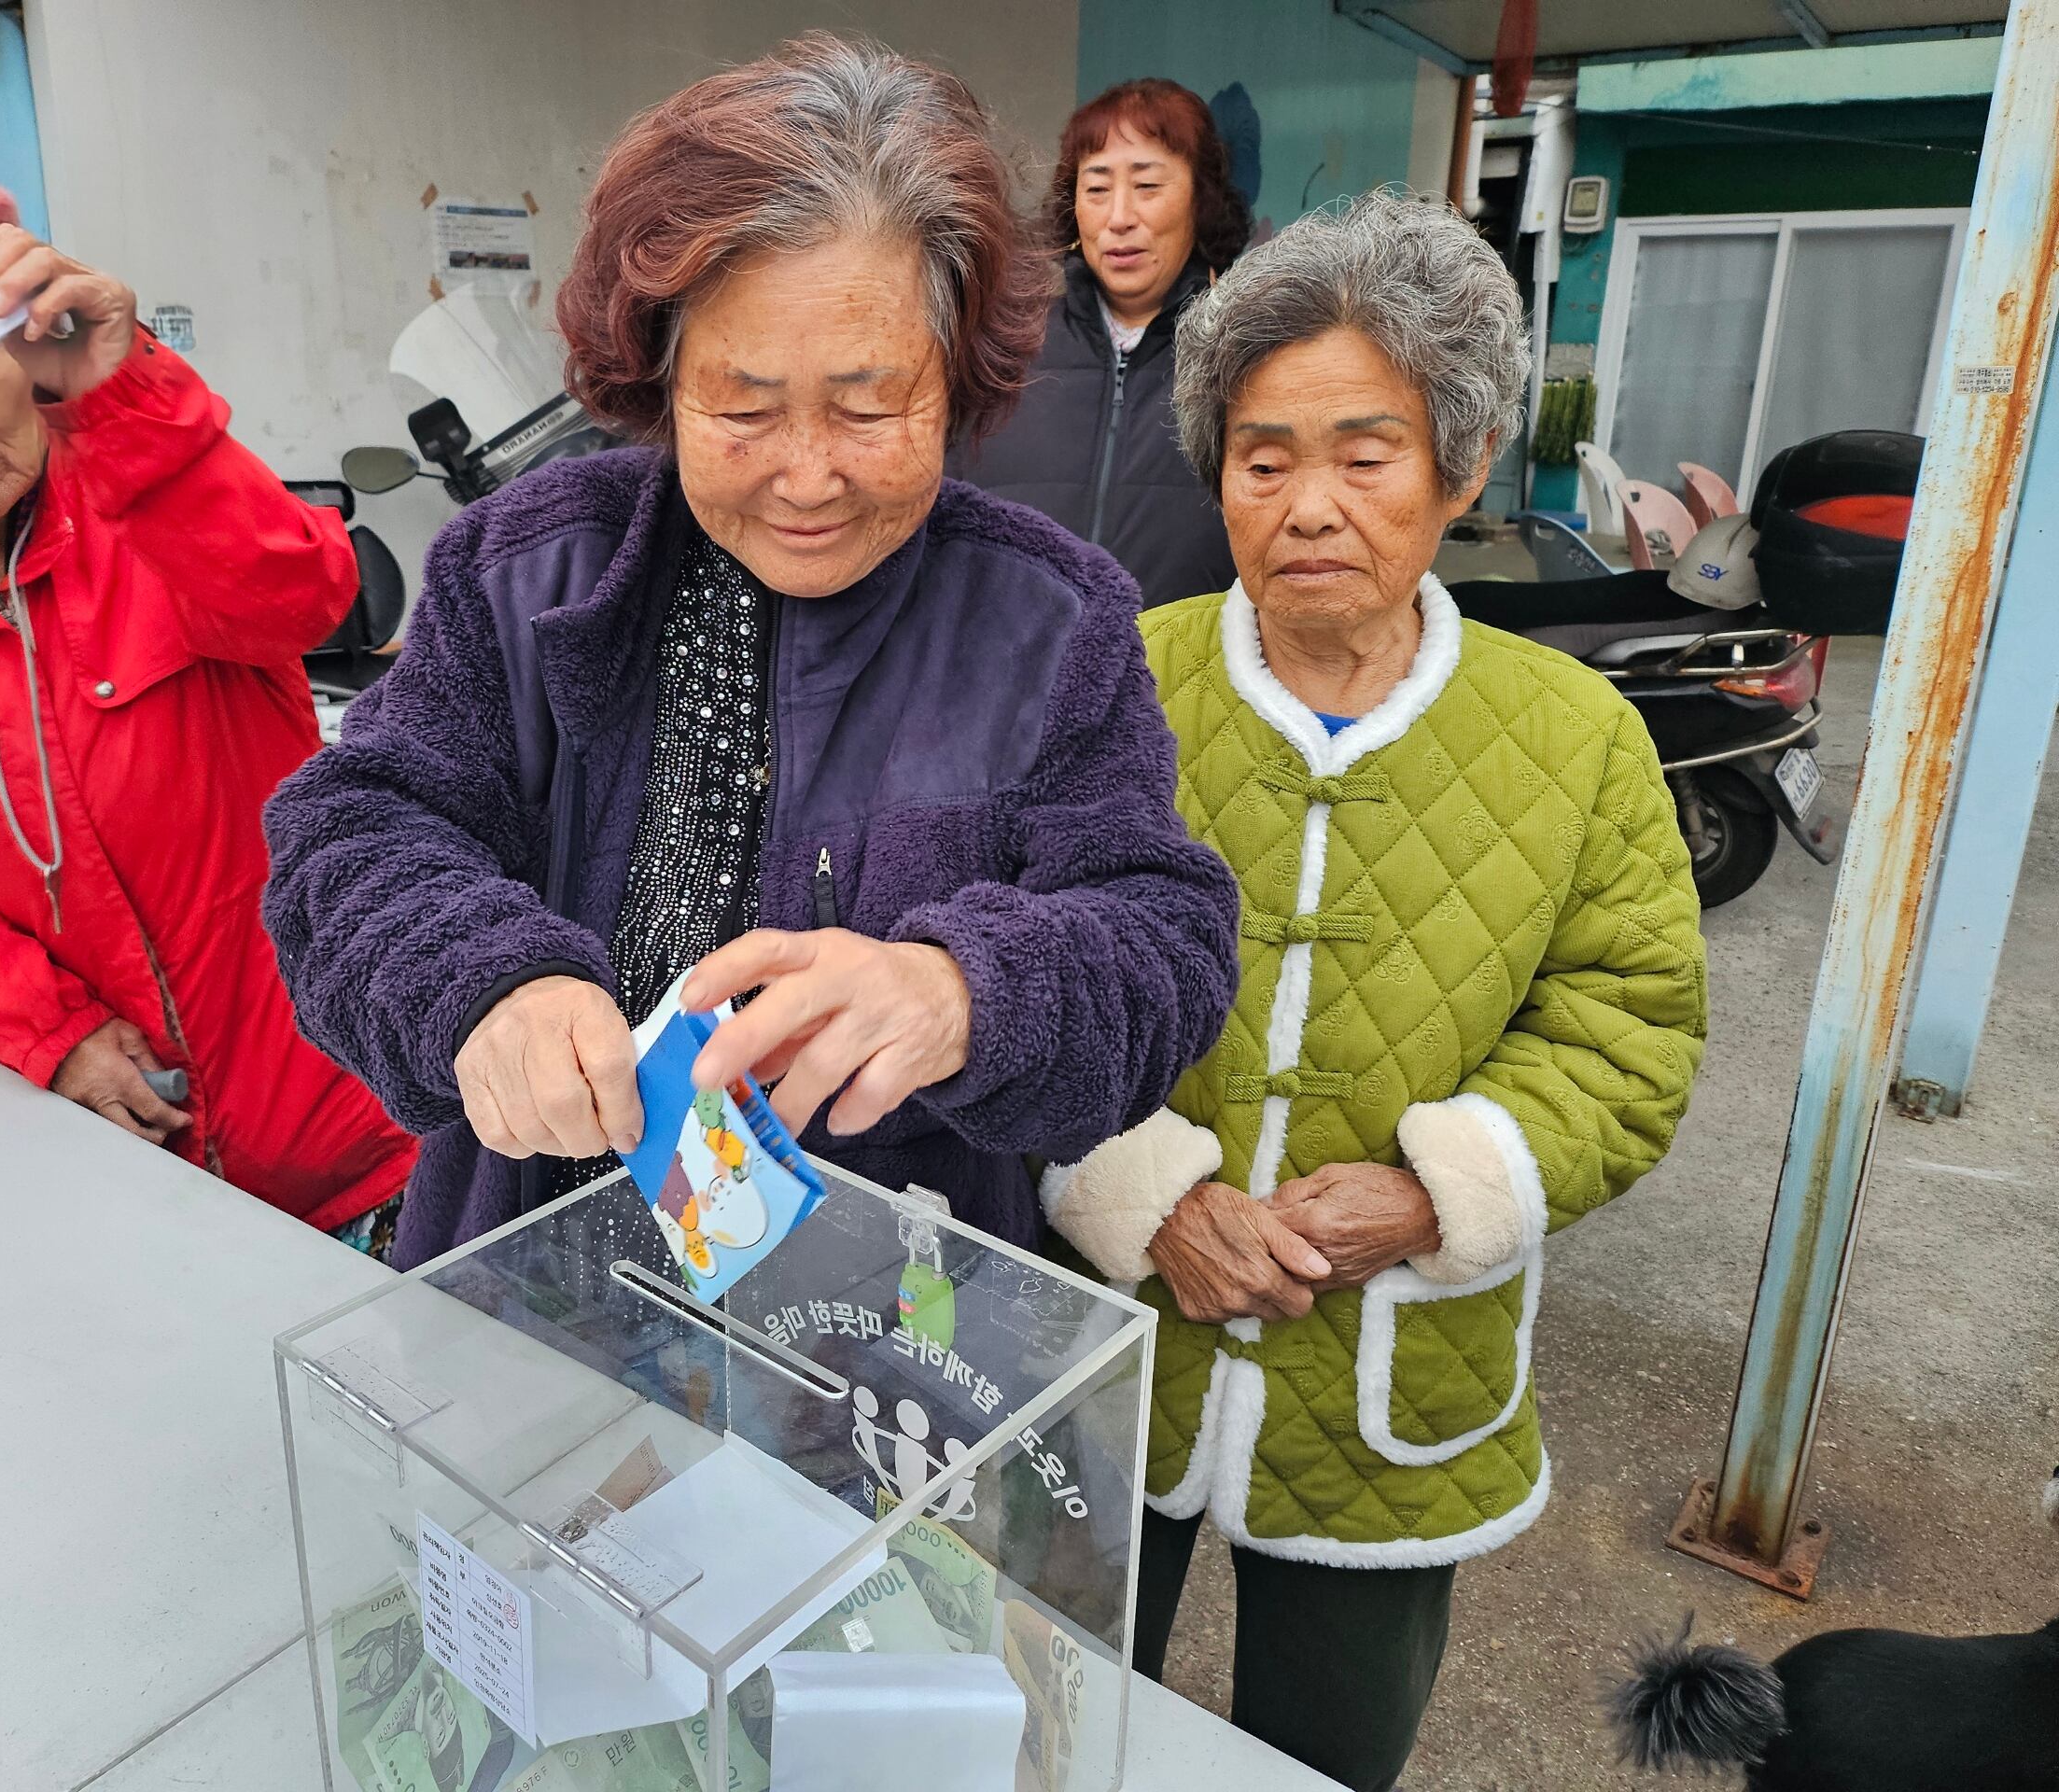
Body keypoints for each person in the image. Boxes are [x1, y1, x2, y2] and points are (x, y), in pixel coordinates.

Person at [261, 35, 1240, 1269]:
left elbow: (1161, 933)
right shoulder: (520, 567)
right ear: (660, 375)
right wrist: (485, 982)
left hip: (882, 1323)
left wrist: (966, 992)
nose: (808, 474)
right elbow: (355, 833)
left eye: (871, 404)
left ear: (961, 379)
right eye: (744, 407)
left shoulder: (1049, 619)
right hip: (529, 1283)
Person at [1038, 189, 1707, 1791]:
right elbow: (1026, 960)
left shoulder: (1574, 736)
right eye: (1264, 458)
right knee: (1042, 1707)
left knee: (1327, 1754)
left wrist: (1432, 1193)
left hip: (1402, 1360)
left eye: (1367, 452)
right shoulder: (1121, 676)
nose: (1309, 504)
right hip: (1120, 1330)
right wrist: (1147, 1196)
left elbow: (1629, 1028)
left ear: (1461, 468)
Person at [0, 156, 416, 1252]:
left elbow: (308, 598)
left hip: (357, 1132)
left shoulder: (150, 504)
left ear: (31, 355)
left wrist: (130, 402)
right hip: (125, 1157)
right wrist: (46, 1028)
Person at [947, 78, 1251, 609]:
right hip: (1014, 674)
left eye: (1148, 187)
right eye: (1096, 188)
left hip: (1181, 676)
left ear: (1200, 201)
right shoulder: (1003, 349)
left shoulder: (1245, 358)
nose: (1119, 218)